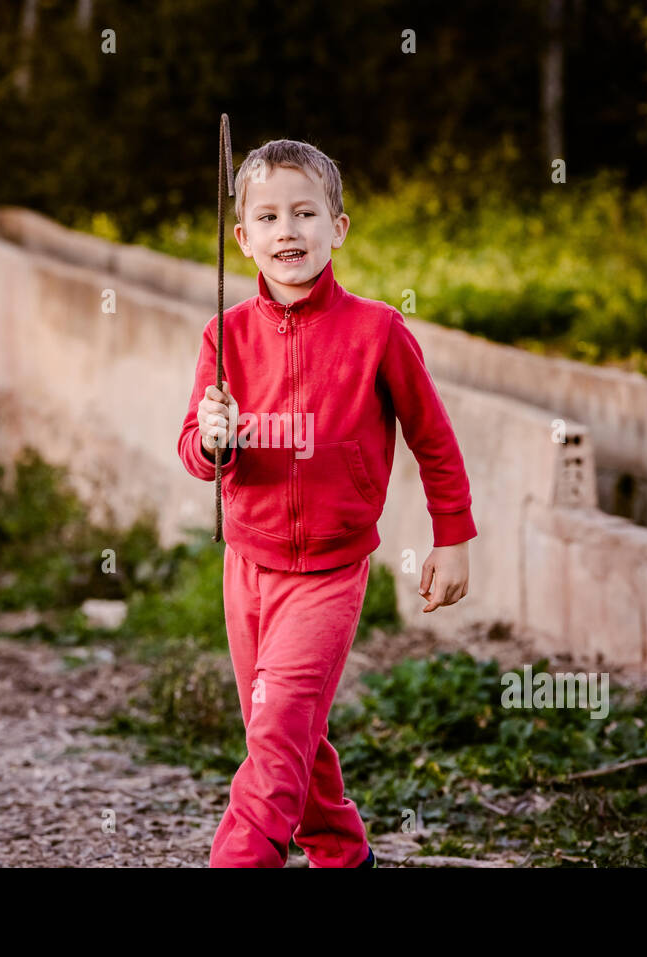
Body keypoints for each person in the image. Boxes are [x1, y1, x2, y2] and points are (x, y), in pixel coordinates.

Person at [175, 138, 477, 868]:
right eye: (268, 217)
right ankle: (344, 853)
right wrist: (214, 441)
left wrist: (453, 537)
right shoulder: (225, 335)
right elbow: (194, 449)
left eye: (305, 213)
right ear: (242, 238)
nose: (288, 230)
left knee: (278, 729)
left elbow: (433, 437)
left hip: (330, 571)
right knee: (283, 729)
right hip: (248, 567)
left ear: (337, 227)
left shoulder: (378, 331)